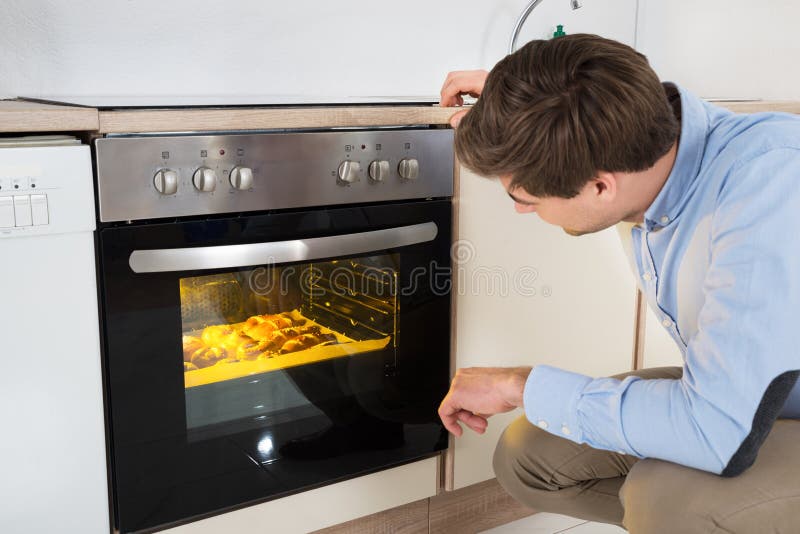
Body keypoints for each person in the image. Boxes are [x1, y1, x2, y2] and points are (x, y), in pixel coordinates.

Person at [437, 33, 800, 533]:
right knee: (531, 458)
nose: (522, 210)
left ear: (600, 186)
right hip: (758, 388)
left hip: (741, 411)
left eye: (525, 197)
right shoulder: (650, 145)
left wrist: (520, 384)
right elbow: (590, 98)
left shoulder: (769, 188)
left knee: (668, 502)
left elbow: (717, 433)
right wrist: (524, 106)